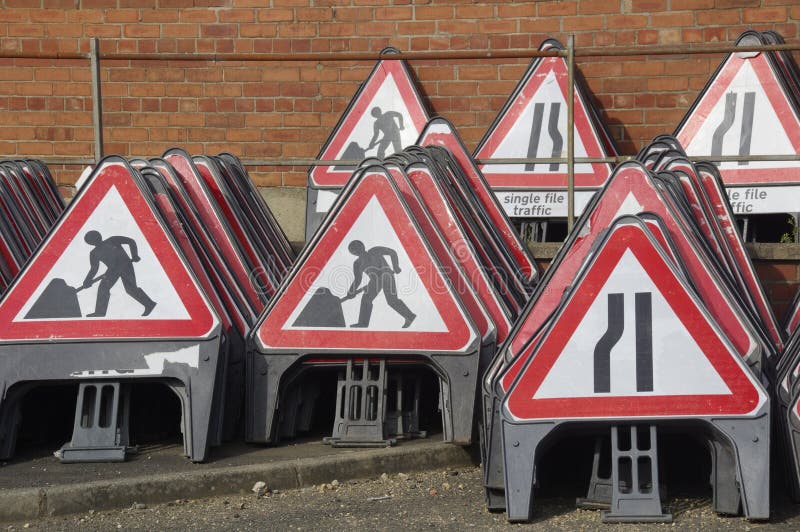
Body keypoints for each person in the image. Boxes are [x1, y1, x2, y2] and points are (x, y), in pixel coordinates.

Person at [81, 230, 156, 317]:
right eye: (91, 240)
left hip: (125, 265)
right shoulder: (94, 253)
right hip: (112, 270)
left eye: (94, 238)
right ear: (90, 243)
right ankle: (100, 312)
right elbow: (94, 268)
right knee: (103, 288)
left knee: (131, 289)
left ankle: (149, 304)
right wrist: (87, 280)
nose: (94, 241)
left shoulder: (112, 240)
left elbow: (131, 241)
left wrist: (134, 255)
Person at [343, 240, 415, 328]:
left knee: (392, 301)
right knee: (366, 299)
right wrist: (351, 291)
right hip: (375, 281)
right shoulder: (357, 263)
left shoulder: (375, 250)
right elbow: (358, 279)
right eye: (354, 250)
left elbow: (392, 252)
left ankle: (410, 316)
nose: (357, 250)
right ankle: (363, 323)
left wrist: (395, 266)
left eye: (358, 247)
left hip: (386, 275)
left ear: (362, 246)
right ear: (353, 253)